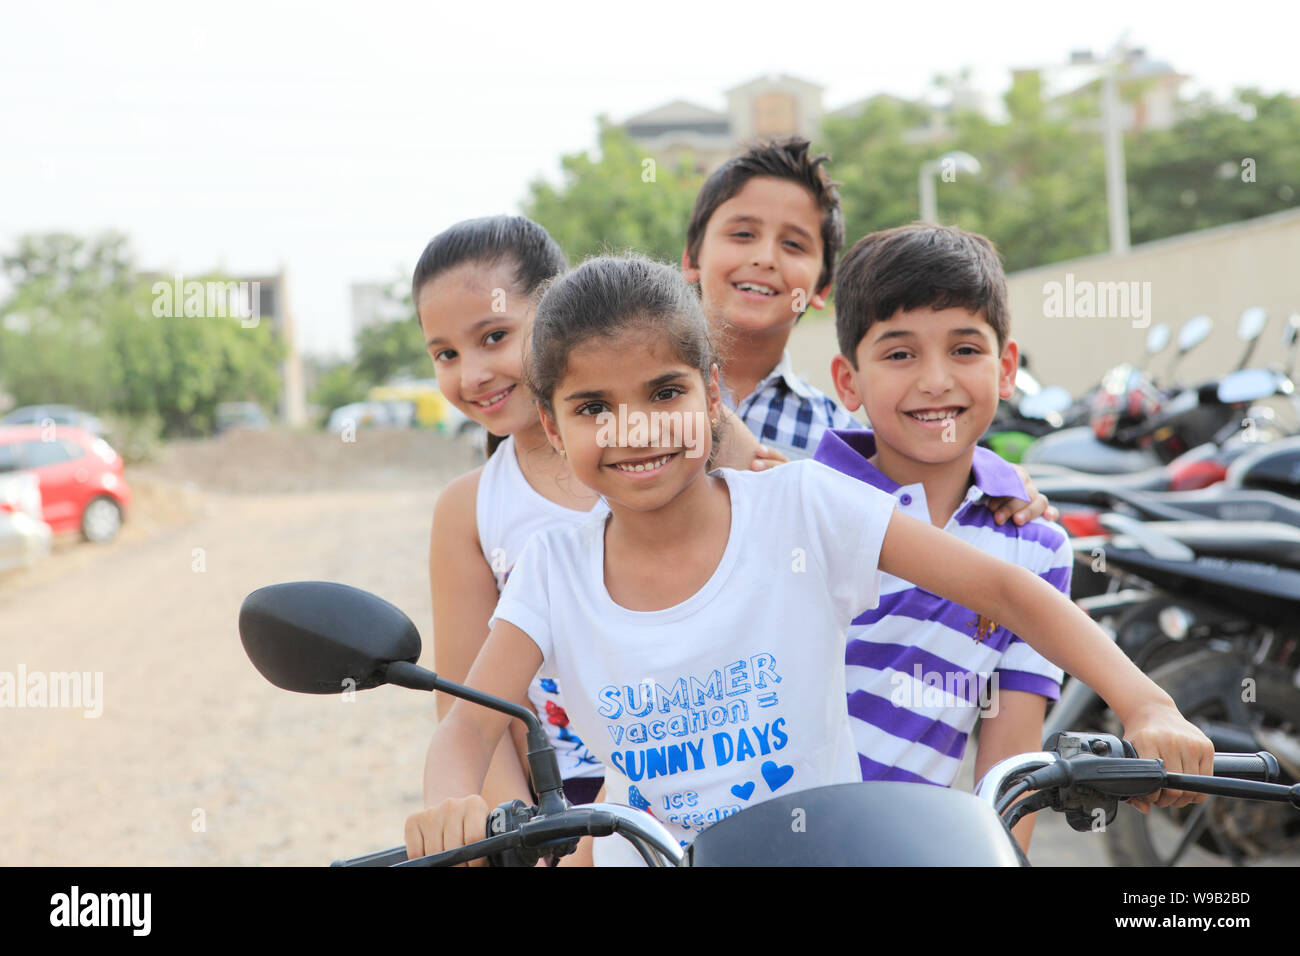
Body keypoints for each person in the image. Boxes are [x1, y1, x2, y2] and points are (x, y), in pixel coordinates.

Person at [405, 255, 1212, 864]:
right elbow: (469, 728)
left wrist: (1147, 707)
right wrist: (448, 803)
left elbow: (1009, 587)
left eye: (663, 393)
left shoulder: (800, 506)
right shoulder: (552, 568)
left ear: (711, 393)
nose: (635, 430)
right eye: (592, 407)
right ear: (551, 425)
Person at [412, 216, 775, 816]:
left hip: (726, 770)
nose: (472, 373)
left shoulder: (691, 435)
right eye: (445, 353)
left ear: (555, 310)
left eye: (494, 337)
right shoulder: (467, 509)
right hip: (572, 806)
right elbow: (467, 707)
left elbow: (784, 534)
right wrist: (527, 832)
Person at [814, 223, 1072, 852]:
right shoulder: (806, 510)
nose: (935, 380)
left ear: (1006, 367)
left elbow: (1011, 770)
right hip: (766, 841)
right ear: (849, 382)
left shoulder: (1035, 546)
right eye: (900, 354)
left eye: (964, 349)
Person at [683, 138, 1052, 531]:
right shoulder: (637, 397)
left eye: (793, 244)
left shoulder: (842, 444)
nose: (765, 258)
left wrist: (997, 480)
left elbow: (931, 491)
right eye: (742, 234)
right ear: (692, 260)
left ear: (823, 288)